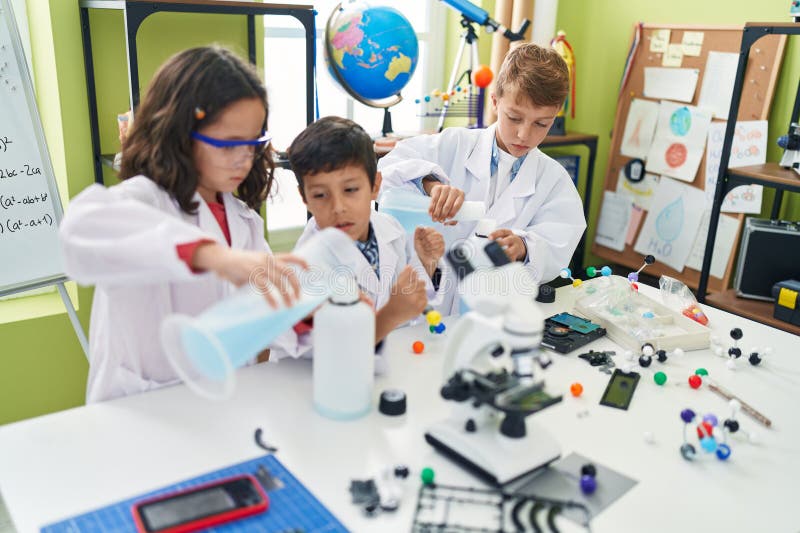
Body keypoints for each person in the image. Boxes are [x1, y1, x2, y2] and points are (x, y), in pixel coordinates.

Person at [59, 46, 306, 402]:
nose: (244, 160)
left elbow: (263, 311)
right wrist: (216, 258)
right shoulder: (142, 200)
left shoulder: (243, 220)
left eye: (253, 143)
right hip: (140, 406)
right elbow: (78, 229)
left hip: (219, 403)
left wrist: (313, 312)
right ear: (179, 133)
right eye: (228, 145)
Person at [378, 43, 587, 314]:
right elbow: (387, 171)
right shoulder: (453, 144)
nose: (524, 134)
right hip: (421, 303)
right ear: (495, 101)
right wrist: (430, 183)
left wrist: (524, 247)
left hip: (489, 312)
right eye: (514, 118)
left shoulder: (554, 181)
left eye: (541, 124)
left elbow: (558, 243)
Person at [270, 116, 446, 360]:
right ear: (305, 197)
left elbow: (412, 303)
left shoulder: (389, 229)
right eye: (320, 195)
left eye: (350, 190)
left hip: (384, 366)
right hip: (314, 379)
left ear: (375, 186)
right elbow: (331, 354)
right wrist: (390, 315)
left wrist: (427, 263)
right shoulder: (306, 267)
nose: (338, 207)